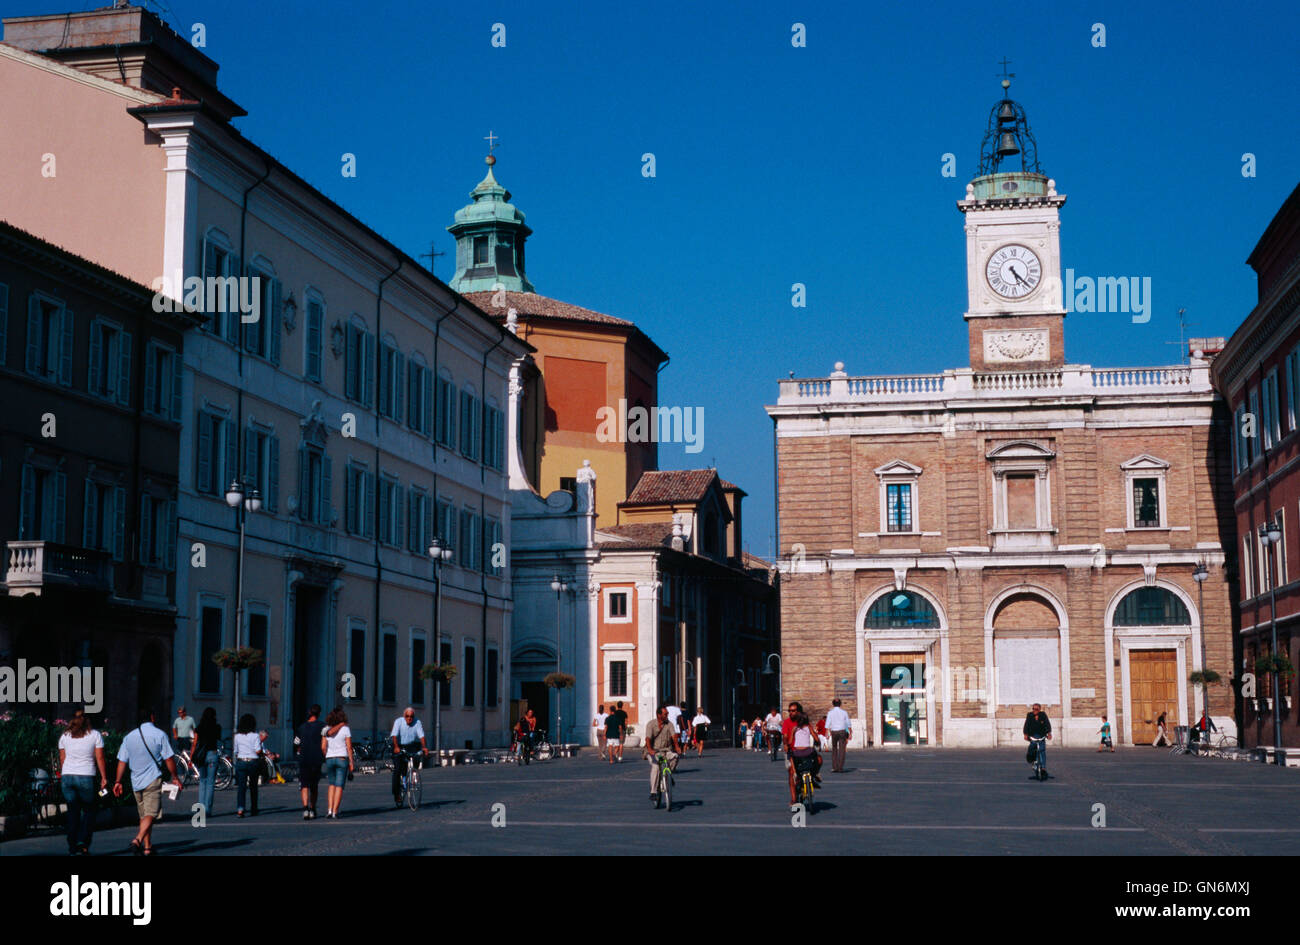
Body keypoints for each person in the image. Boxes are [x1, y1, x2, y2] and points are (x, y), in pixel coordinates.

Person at [112, 707, 181, 855]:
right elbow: (169, 758)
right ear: (152, 717)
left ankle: (148, 847)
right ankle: (137, 840)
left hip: (135, 781)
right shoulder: (160, 734)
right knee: (152, 813)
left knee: (144, 815)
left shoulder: (129, 737)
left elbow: (122, 761)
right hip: (152, 779)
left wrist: (117, 782)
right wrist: (175, 777)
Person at [58, 707, 107, 855]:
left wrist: (65, 773)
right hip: (86, 776)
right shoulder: (95, 735)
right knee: (89, 810)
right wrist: (104, 778)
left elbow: (62, 758)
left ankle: (72, 846)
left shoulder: (65, 736)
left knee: (72, 812)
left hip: (67, 776)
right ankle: (83, 843)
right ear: (87, 720)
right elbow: (99, 758)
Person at [643, 705, 683, 802]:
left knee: (675, 757)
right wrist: (650, 750)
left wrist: (677, 747)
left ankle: (668, 775)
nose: (667, 715)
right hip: (654, 751)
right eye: (665, 714)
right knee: (656, 766)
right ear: (659, 715)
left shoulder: (669, 724)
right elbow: (647, 739)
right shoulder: (651, 724)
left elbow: (674, 736)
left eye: (667, 713)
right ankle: (653, 792)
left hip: (666, 750)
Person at [390, 707, 429, 807]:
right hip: (399, 745)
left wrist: (424, 747)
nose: (409, 718)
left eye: (411, 716)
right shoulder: (399, 722)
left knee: (417, 755)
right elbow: (394, 736)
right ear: (404, 716)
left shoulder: (417, 722)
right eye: (407, 716)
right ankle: (397, 794)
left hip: (411, 745)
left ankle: (414, 774)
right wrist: (396, 747)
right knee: (398, 769)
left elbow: (421, 736)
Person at [321, 707, 354, 818]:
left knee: (331, 785)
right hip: (342, 758)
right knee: (339, 786)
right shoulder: (345, 729)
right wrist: (351, 762)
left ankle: (330, 810)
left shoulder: (325, 729)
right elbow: (349, 747)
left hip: (330, 758)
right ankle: (335, 811)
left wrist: (326, 755)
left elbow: (323, 747)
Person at [190, 707, 222, 818]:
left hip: (201, 756)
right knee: (210, 783)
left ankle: (200, 810)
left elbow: (194, 744)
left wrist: (191, 758)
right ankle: (208, 810)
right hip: (212, 754)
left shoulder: (199, 728)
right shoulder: (217, 727)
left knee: (202, 782)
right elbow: (218, 740)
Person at [295, 705, 325, 819]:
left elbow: (296, 743)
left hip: (304, 758)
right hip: (316, 759)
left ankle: (305, 809)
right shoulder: (322, 727)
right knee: (314, 786)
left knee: (304, 785)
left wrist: (300, 750)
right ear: (319, 714)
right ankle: (312, 808)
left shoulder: (302, 727)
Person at [233, 713, 263, 817]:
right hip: (253, 761)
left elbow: (236, 751)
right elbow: (258, 750)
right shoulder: (255, 736)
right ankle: (254, 808)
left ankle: (240, 809)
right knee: (253, 786)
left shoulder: (237, 736)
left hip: (241, 761)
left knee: (241, 787)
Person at [787, 712, 819, 808]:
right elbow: (816, 737)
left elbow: (789, 741)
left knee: (791, 757)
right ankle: (815, 773)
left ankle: (796, 773)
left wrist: (790, 743)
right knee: (816, 757)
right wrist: (817, 741)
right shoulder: (808, 727)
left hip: (797, 753)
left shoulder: (794, 728)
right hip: (808, 751)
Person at [1023, 703, 1052, 777]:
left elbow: (1047, 724)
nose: (1034, 711)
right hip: (1032, 735)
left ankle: (1043, 769)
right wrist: (1025, 734)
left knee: (1042, 751)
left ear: (1039, 709)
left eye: (1036, 709)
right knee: (1032, 747)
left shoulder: (1043, 715)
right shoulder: (1029, 715)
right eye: (1033, 709)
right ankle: (1030, 755)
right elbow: (1026, 725)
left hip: (1041, 735)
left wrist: (1049, 733)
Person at [826, 698, 852, 772]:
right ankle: (840, 767)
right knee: (842, 749)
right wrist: (850, 732)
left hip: (834, 731)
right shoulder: (844, 712)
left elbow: (828, 723)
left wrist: (826, 732)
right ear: (840, 704)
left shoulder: (830, 712)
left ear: (833, 704)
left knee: (834, 749)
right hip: (842, 731)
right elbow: (848, 723)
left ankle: (835, 767)